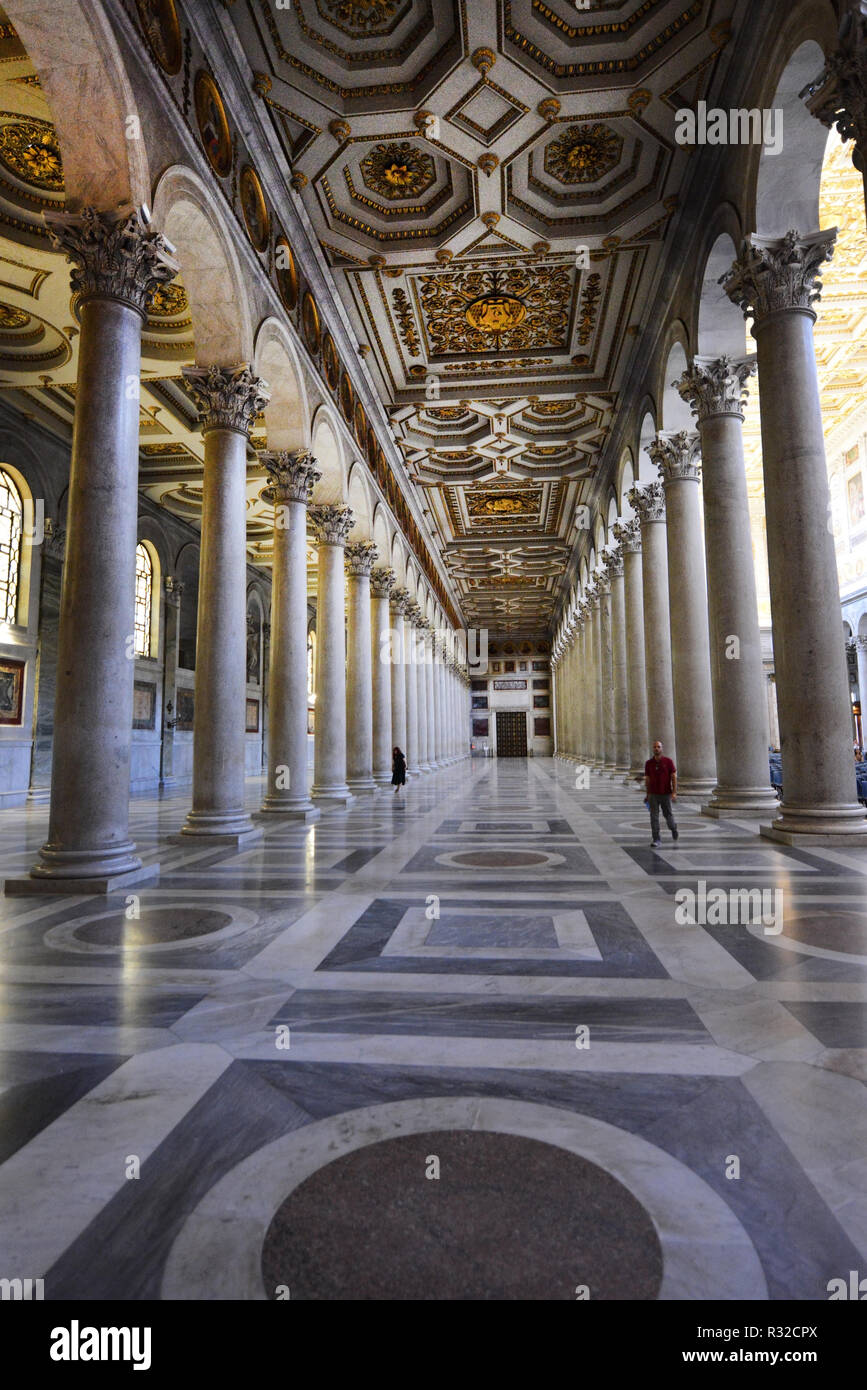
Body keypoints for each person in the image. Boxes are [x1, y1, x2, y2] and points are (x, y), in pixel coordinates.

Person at [645, 740, 678, 847]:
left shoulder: (668, 761)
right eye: (654, 747)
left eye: (658, 747)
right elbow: (648, 780)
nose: (656, 748)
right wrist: (647, 794)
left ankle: (673, 828)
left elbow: (673, 777)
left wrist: (674, 792)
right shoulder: (648, 763)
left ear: (662, 748)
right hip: (653, 795)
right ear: (652, 749)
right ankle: (656, 839)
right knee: (654, 817)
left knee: (668, 815)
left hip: (665, 794)